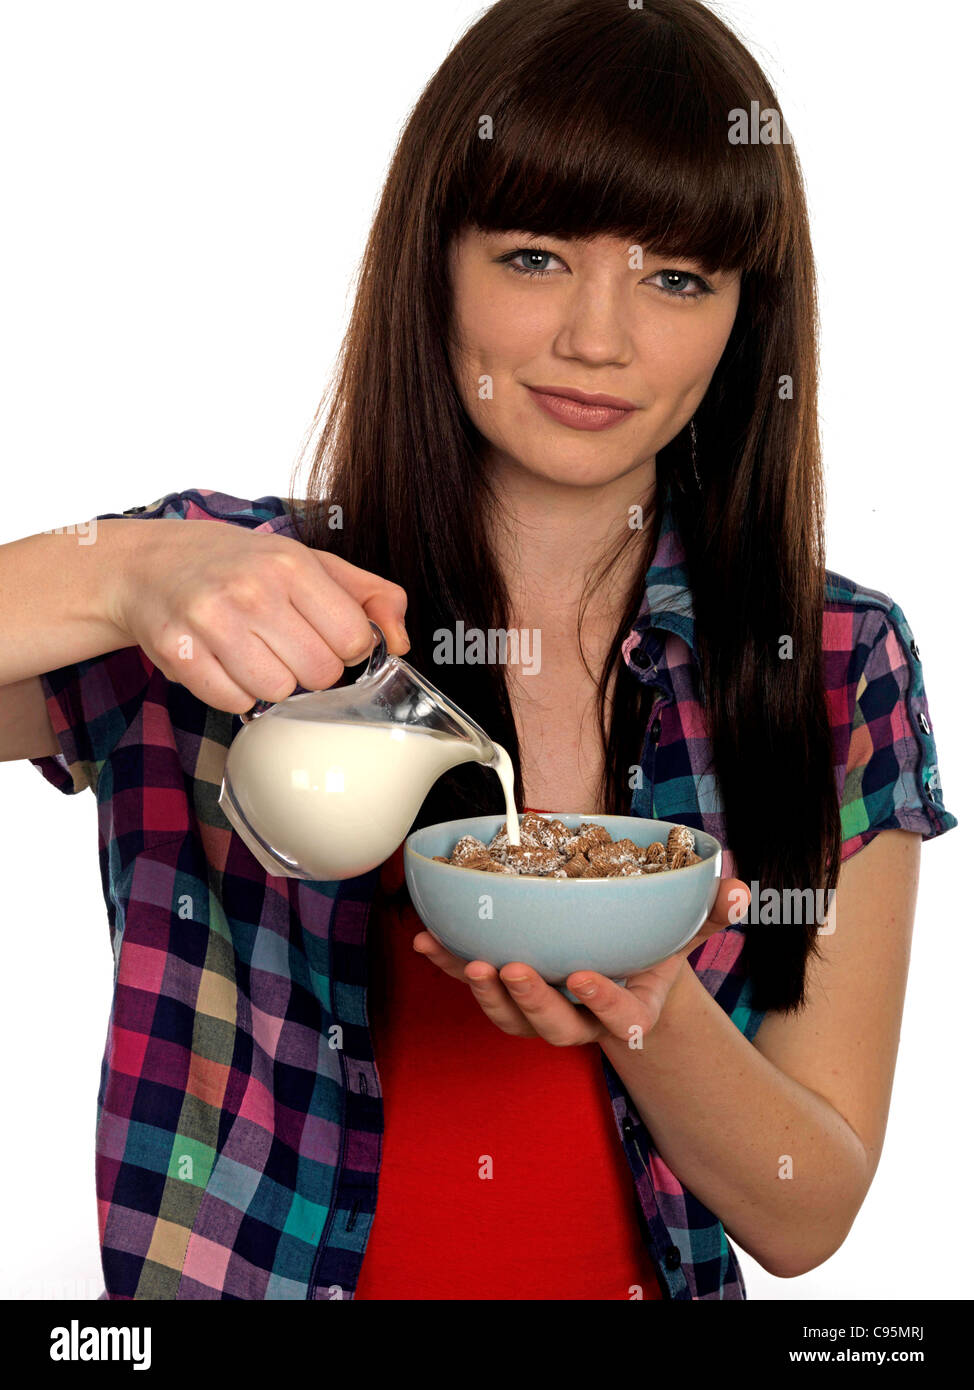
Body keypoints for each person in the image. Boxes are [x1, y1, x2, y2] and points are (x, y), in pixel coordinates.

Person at [0, 0, 956, 1300]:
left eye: (676, 277)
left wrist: (648, 1005)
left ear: (745, 315)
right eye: (533, 255)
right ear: (432, 259)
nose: (599, 339)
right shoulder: (239, 602)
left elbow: (809, 1208)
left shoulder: (837, 659)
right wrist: (127, 570)